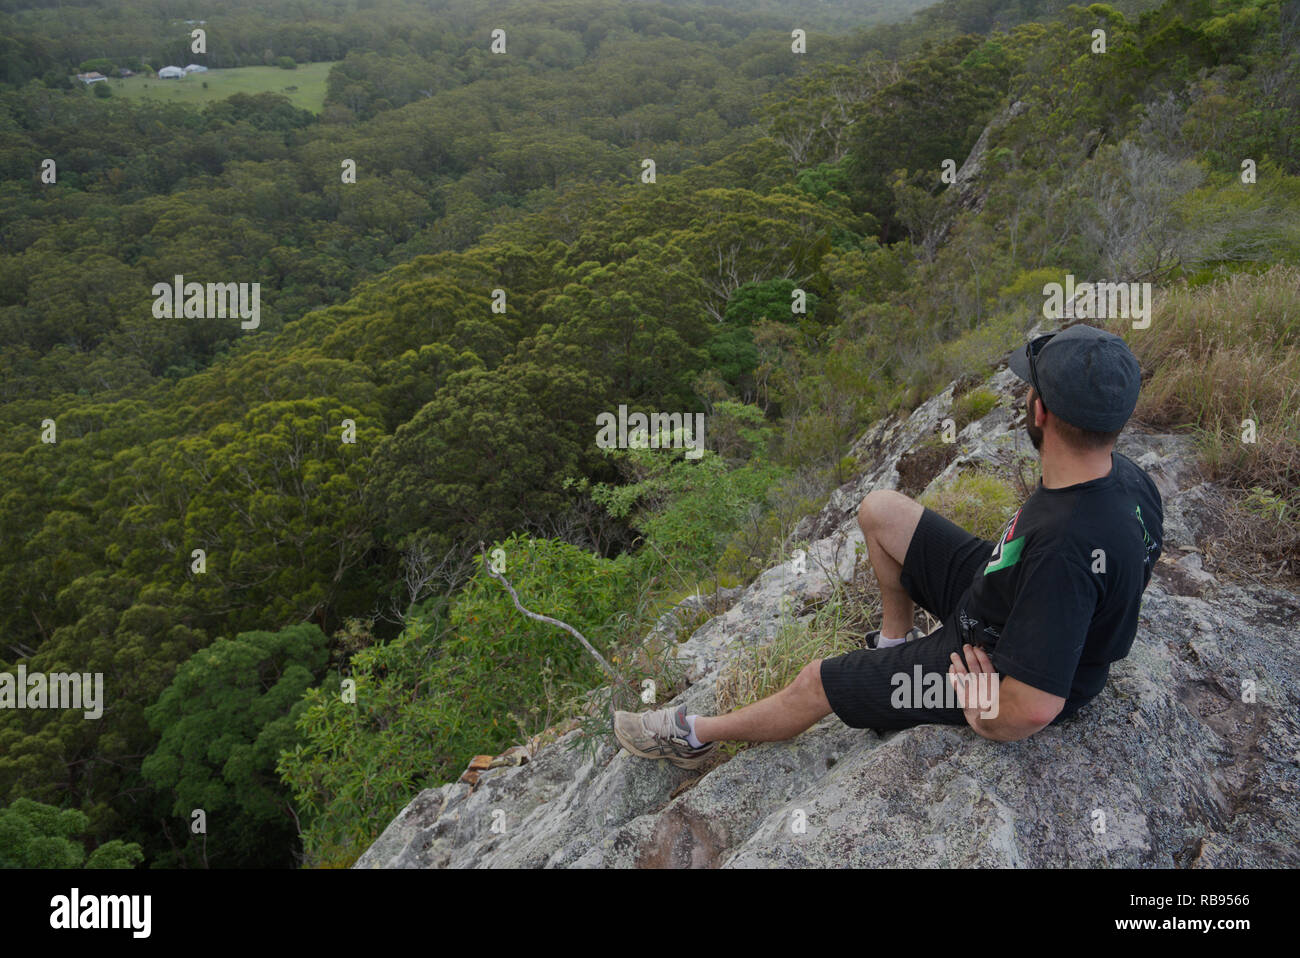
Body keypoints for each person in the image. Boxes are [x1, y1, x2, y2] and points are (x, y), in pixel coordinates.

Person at [614, 324, 1164, 767]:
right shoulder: (1128, 481)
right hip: (1001, 598)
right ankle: (893, 643)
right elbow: (1107, 583)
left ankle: (692, 736)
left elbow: (1034, 707)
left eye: (1032, 388)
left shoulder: (1065, 547)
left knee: (817, 682)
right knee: (881, 510)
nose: (1026, 395)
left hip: (991, 666)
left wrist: (985, 708)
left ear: (1039, 412)